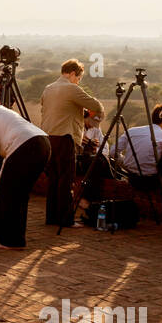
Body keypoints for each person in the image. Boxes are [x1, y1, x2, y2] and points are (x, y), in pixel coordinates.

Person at [0, 100, 51, 249]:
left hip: (24, 146)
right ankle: (16, 238)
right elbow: (9, 154)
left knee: (10, 195)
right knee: (20, 194)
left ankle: (11, 241)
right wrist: (0, 180)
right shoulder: (1, 113)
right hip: (43, 143)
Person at [39, 59, 104, 227]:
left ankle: (52, 217)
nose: (78, 81)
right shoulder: (71, 88)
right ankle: (65, 219)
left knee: (53, 178)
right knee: (66, 179)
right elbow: (96, 106)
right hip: (65, 137)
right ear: (74, 73)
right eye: (79, 78)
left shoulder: (48, 88)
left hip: (48, 137)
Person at [111, 104, 162, 177]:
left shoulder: (131, 131)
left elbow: (112, 152)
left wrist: (126, 162)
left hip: (129, 176)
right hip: (153, 180)